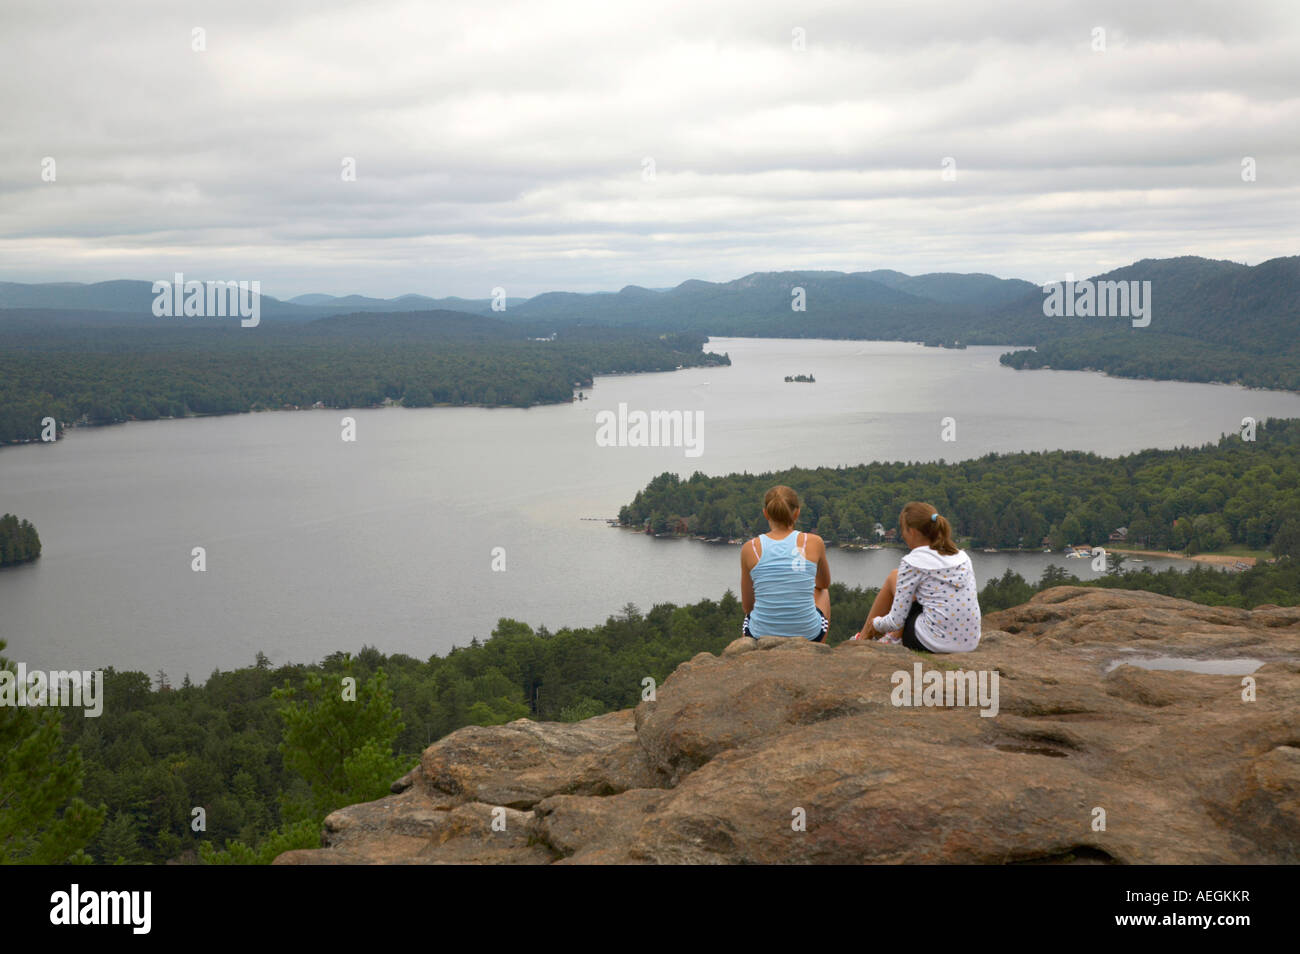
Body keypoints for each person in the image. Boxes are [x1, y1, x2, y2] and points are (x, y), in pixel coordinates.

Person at [854, 501, 981, 652]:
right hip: (970, 642)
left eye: (903, 530)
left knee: (892, 578)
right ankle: (886, 638)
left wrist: (874, 624)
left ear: (912, 532)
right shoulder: (962, 556)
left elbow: (896, 621)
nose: (902, 535)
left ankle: (864, 639)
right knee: (904, 582)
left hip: (933, 643)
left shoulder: (913, 562)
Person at [740, 485, 831, 642]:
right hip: (809, 637)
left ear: (765, 513)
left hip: (760, 637)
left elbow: (748, 606)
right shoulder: (814, 542)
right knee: (824, 592)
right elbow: (824, 583)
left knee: (750, 617)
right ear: (797, 513)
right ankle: (814, 647)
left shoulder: (750, 548)